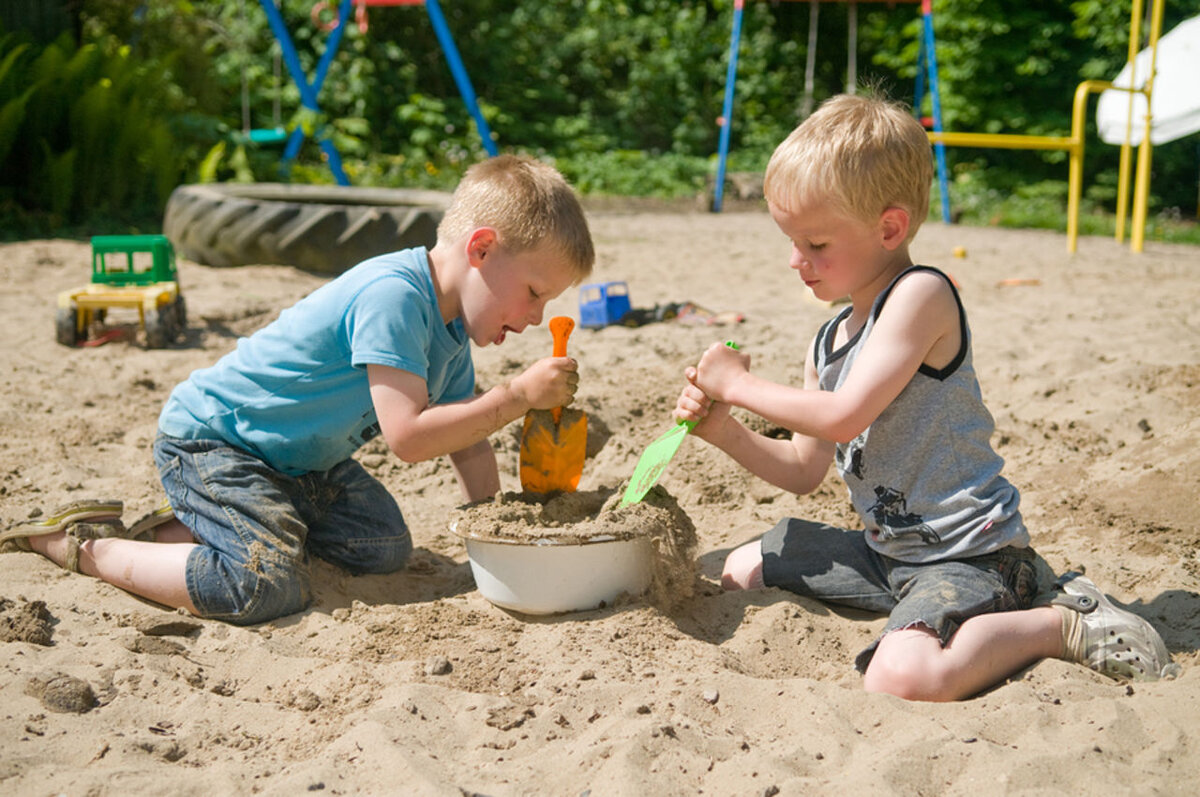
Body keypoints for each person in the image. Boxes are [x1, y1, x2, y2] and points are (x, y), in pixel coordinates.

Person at [673, 94, 1179, 701]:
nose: (794, 261)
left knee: (900, 676)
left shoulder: (921, 295)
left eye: (816, 244)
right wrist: (724, 429)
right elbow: (804, 471)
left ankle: (1058, 624)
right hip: (888, 554)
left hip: (973, 559)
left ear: (889, 227)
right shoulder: (829, 340)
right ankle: (927, 608)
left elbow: (844, 417)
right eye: (789, 240)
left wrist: (739, 384)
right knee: (739, 569)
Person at [2, 154, 595, 625]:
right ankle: (86, 547)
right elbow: (410, 440)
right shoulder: (394, 296)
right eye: (535, 292)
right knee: (264, 586)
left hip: (297, 462)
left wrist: (489, 530)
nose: (538, 317)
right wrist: (515, 397)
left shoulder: (453, 332)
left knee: (382, 544)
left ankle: (196, 525)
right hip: (216, 443)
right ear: (483, 249)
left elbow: (466, 439)